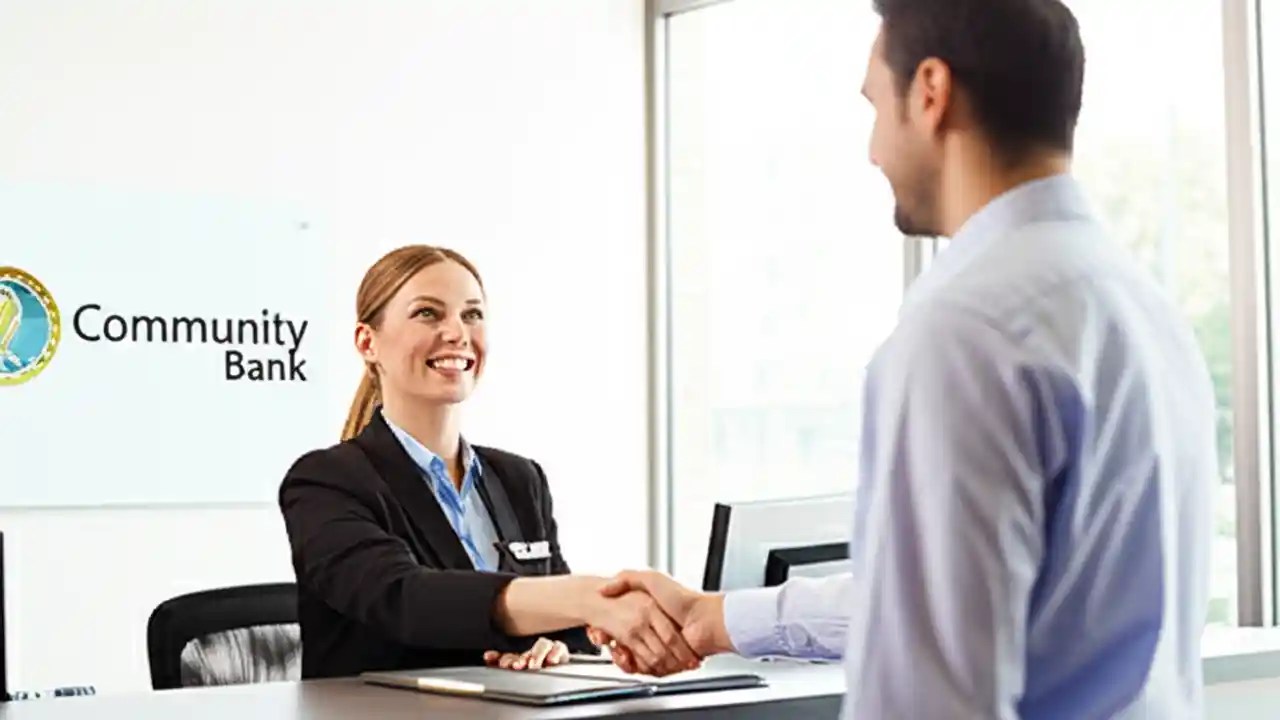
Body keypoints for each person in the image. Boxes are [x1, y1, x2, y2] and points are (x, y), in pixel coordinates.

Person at [597, 0, 1217, 717]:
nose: (872, 149)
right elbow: (975, 599)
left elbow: (930, 688)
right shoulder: (1141, 307)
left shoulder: (967, 327)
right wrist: (717, 619)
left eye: (874, 105)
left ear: (930, 91)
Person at [279, 245, 699, 679]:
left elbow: (573, 631)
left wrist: (550, 647)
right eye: (428, 313)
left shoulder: (519, 479)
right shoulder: (326, 481)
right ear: (367, 342)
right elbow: (403, 599)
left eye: (472, 315)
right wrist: (590, 597)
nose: (458, 333)